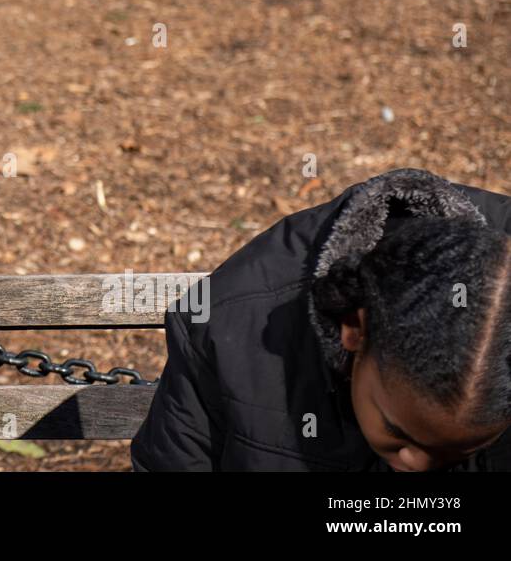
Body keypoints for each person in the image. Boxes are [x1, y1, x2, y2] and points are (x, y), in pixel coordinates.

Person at [131, 167, 511, 471]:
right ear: (354, 330)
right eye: (398, 435)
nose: (416, 466)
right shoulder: (232, 323)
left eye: (463, 452)